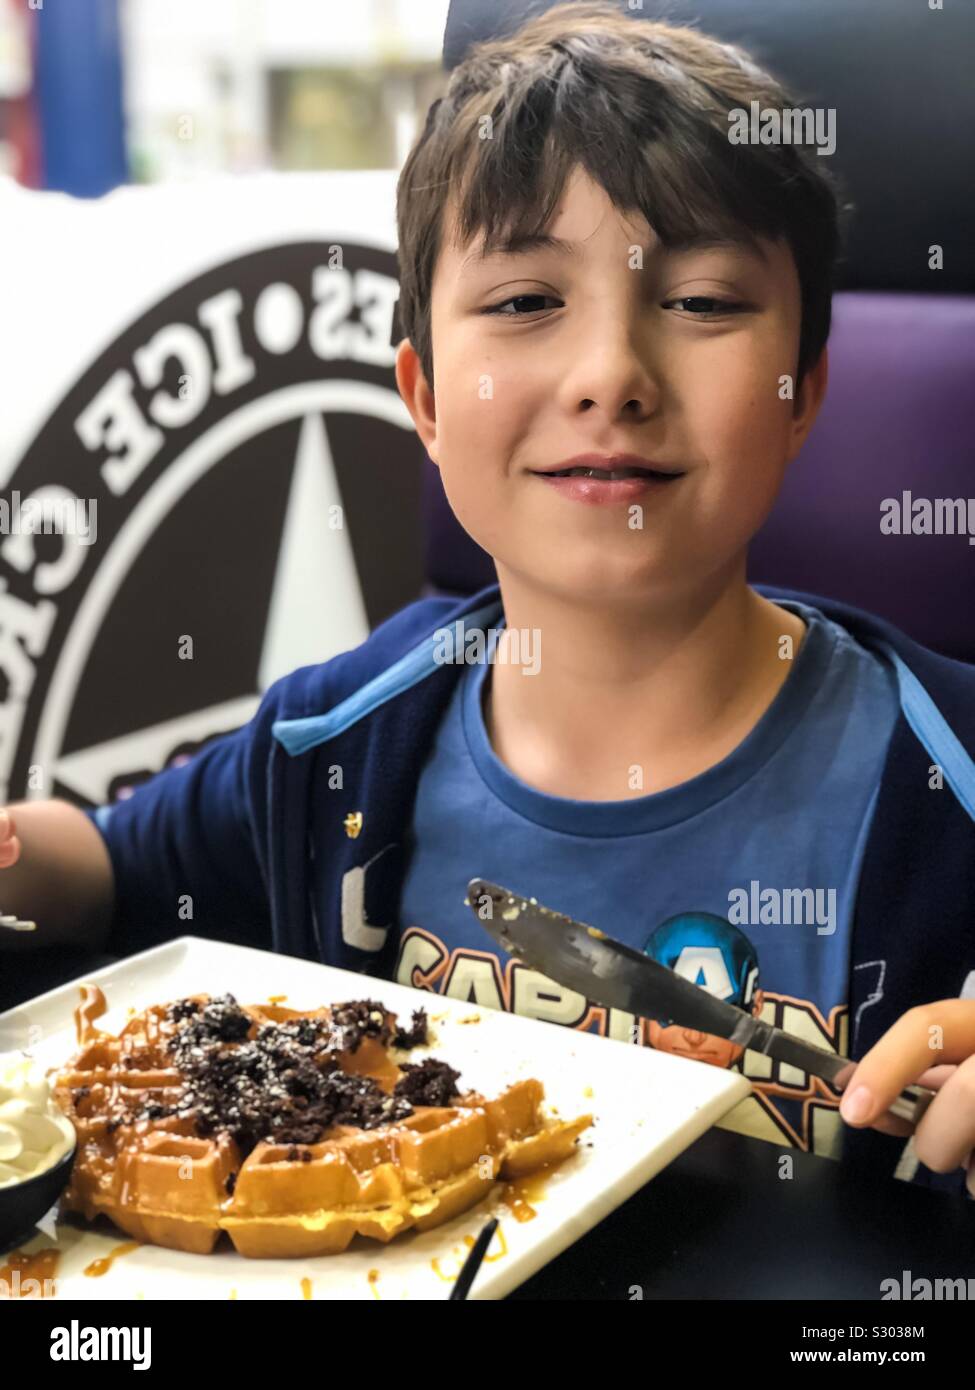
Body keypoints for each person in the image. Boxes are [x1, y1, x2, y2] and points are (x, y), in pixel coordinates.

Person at [2, 1, 974, 1197]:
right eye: (523, 303)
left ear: (803, 390)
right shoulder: (335, 745)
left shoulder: (952, 784)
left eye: (705, 302)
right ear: (421, 394)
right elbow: (103, 869)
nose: (611, 374)